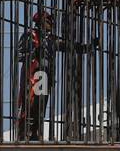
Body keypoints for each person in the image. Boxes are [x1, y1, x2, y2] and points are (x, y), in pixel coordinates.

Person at [12, 10, 94, 141]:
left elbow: (70, 47)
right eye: (48, 20)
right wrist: (33, 53)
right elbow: (18, 56)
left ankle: (35, 133)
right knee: (30, 106)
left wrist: (88, 47)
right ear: (40, 22)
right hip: (33, 76)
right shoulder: (30, 35)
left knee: (41, 107)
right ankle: (25, 134)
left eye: (51, 20)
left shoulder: (51, 39)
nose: (51, 23)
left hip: (44, 76)